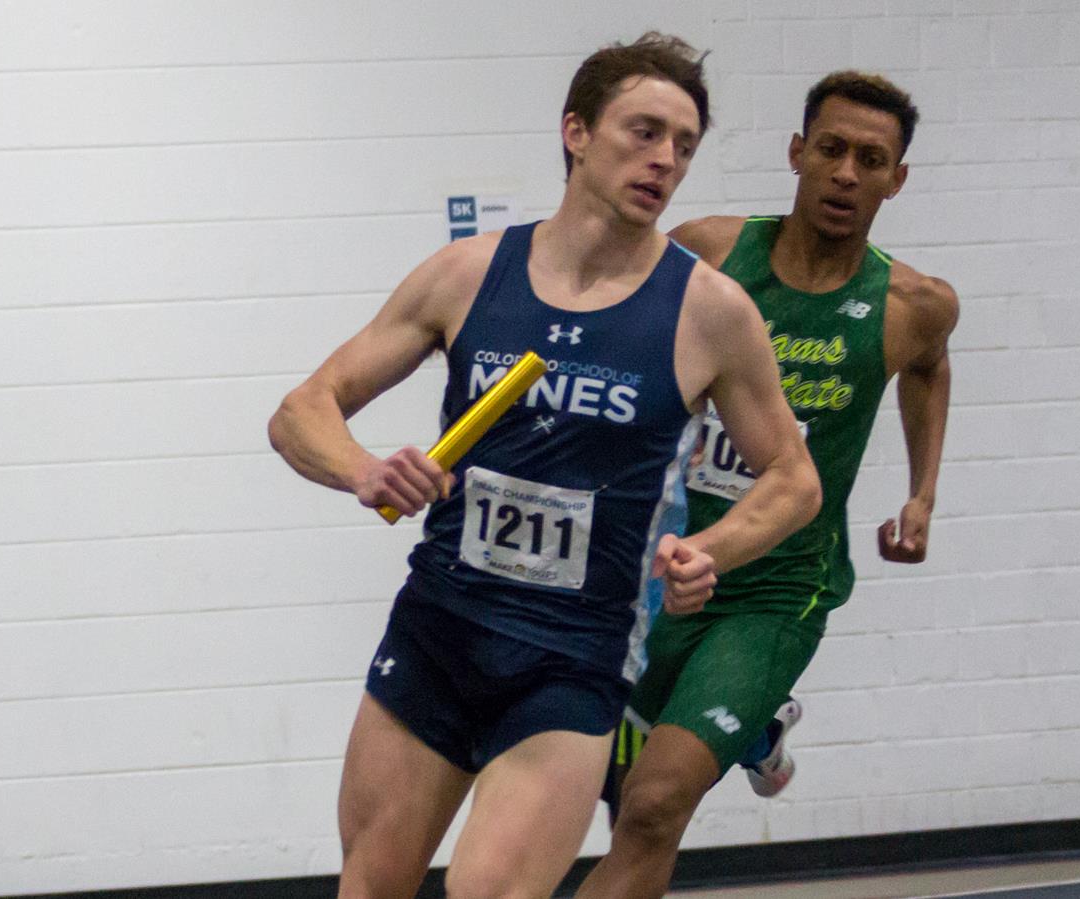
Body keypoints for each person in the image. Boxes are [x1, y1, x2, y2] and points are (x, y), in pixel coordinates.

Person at [267, 33, 821, 899]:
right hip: (438, 631)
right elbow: (303, 409)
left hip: (570, 660)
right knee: (370, 886)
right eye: (644, 132)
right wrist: (363, 470)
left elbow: (794, 477)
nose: (665, 159)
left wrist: (712, 547)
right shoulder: (469, 273)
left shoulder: (709, 311)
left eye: (683, 145)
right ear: (576, 132)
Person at [577, 70, 959, 898]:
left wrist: (922, 493)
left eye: (870, 160)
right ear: (796, 153)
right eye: (830, 150)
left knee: (655, 804)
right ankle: (756, 732)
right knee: (620, 799)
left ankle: (749, 707)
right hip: (657, 578)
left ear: (897, 179)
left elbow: (929, 369)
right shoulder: (706, 253)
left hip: (776, 592)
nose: (846, 174)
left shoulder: (912, 305)